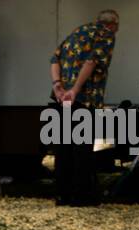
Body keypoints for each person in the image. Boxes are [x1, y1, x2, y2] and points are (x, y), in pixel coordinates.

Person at [49, 9, 120, 206]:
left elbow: (54, 60)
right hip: (84, 98)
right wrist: (75, 89)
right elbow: (91, 62)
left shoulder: (76, 33)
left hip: (59, 99)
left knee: (62, 149)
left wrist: (58, 87)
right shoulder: (106, 35)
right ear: (113, 25)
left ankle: (62, 195)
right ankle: (80, 197)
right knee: (82, 150)